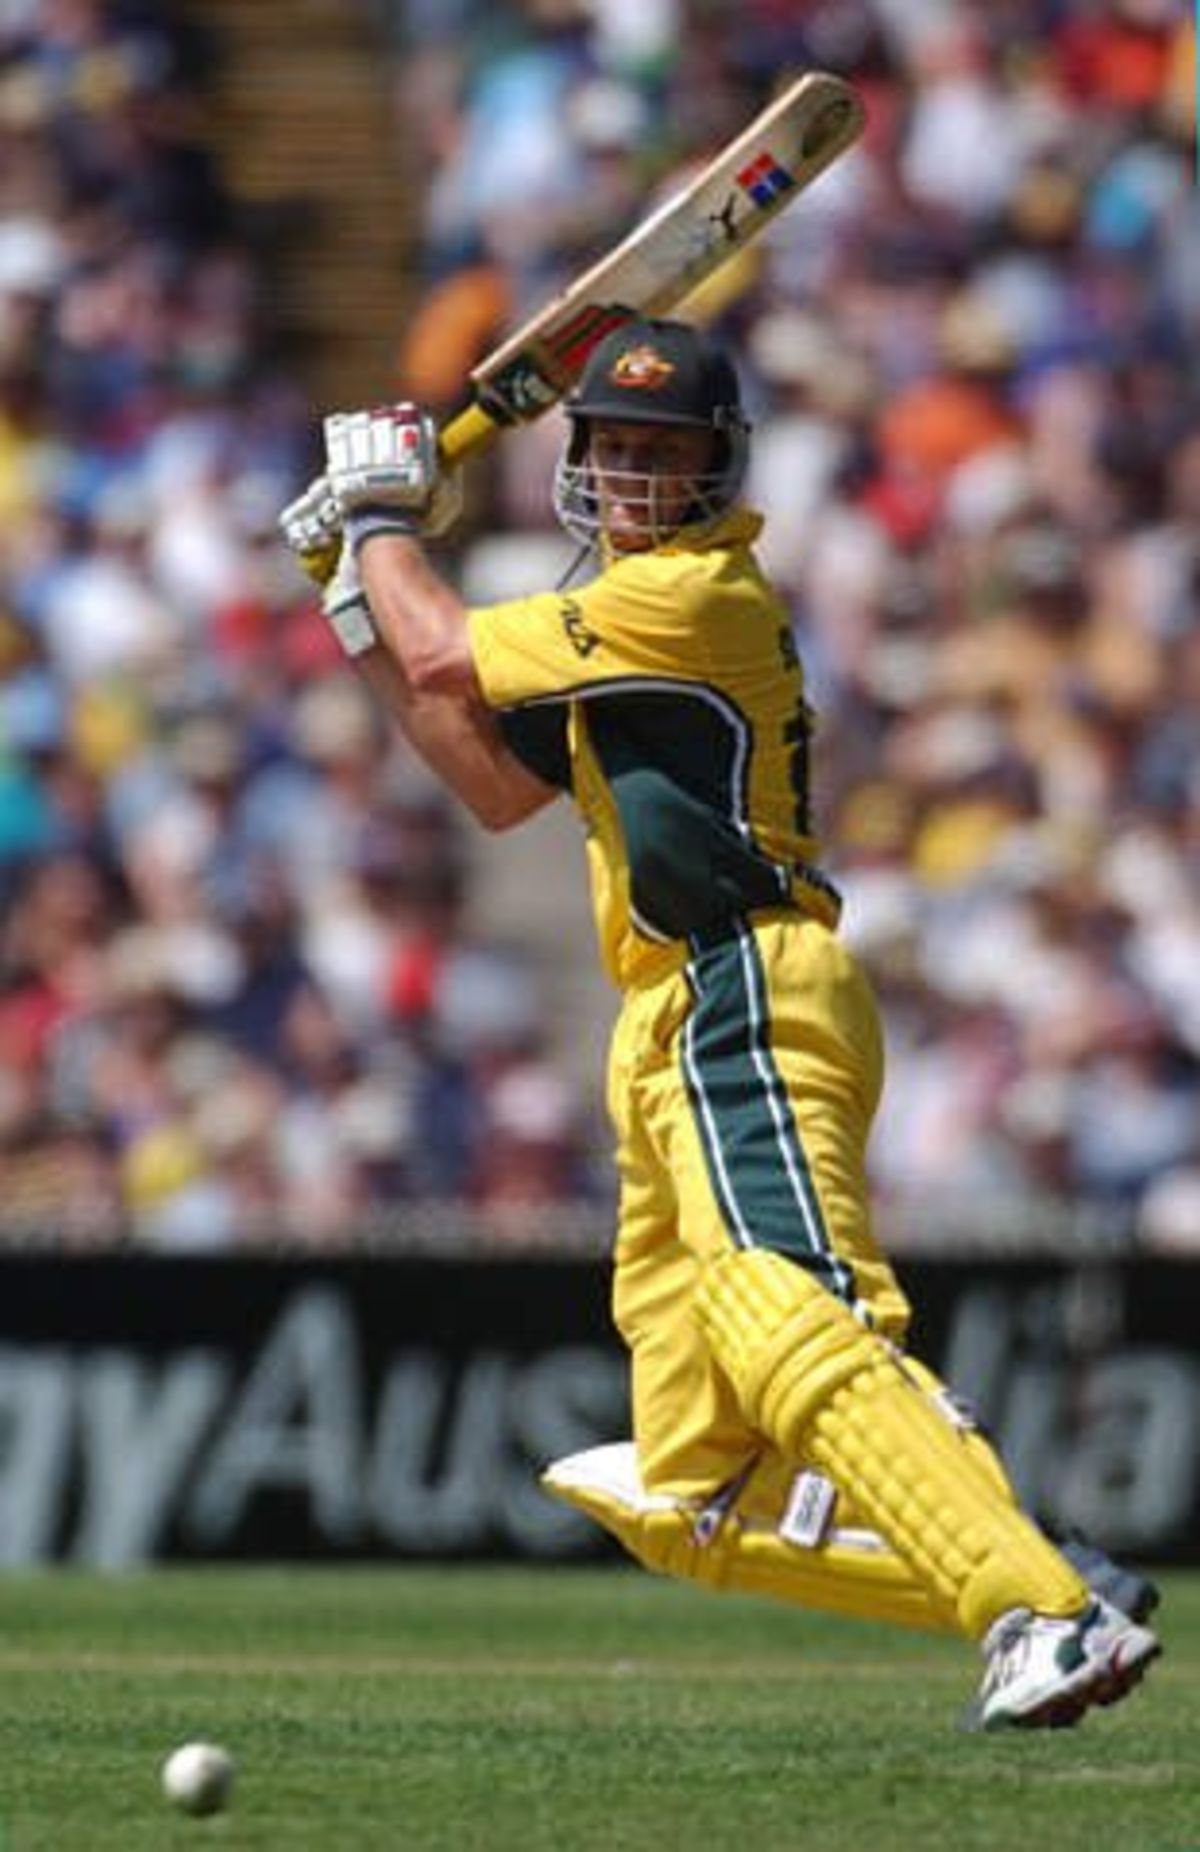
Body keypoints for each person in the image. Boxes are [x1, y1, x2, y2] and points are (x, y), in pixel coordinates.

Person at [281, 316, 1161, 1731]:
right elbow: (489, 781)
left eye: (665, 452)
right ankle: (1040, 1566)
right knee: (692, 1487)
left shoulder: (694, 593)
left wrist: (381, 519)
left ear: (717, 469)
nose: (635, 477)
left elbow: (442, 651)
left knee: (782, 1305)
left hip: (747, 983)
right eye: (615, 447)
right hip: (665, 1018)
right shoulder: (615, 615)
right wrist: (347, 587)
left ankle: (1040, 1613)